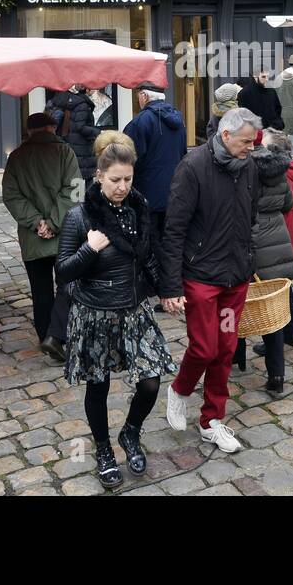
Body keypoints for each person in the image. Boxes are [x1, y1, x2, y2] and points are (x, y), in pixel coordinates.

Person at [55, 131, 176, 489]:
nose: (122, 187)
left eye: (128, 179)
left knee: (151, 382)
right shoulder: (79, 217)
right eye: (114, 180)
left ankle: (130, 433)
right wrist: (89, 250)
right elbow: (62, 272)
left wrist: (170, 291)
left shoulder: (138, 211)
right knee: (99, 386)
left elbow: (151, 256)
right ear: (98, 177)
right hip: (95, 314)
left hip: (135, 311)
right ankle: (104, 449)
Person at [160, 107, 262, 454]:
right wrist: (170, 286)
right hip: (201, 277)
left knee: (225, 348)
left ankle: (211, 420)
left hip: (234, 278)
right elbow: (173, 230)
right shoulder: (193, 168)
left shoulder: (248, 166)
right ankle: (179, 390)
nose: (252, 147)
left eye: (254, 141)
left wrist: (249, 258)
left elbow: (250, 215)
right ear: (226, 136)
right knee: (204, 346)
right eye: (247, 141)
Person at [3, 111, 81, 359]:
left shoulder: (16, 157)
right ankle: (58, 336)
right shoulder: (65, 152)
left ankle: (45, 336)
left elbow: (11, 196)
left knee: (40, 290)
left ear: (29, 132)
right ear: (53, 128)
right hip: (65, 236)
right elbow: (76, 192)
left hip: (32, 239)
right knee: (67, 287)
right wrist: (54, 223)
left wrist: (37, 223)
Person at [236, 129, 293, 396]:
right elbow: (289, 202)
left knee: (239, 302)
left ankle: (235, 355)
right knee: (271, 307)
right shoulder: (278, 170)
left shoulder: (245, 171)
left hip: (252, 241)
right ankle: (276, 375)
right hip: (277, 238)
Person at [122, 83, 187, 243]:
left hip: (145, 196)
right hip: (174, 193)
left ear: (144, 96)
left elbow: (127, 160)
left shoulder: (139, 123)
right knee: (169, 243)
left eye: (139, 95)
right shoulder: (179, 121)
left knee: (148, 245)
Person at [50, 84, 102, 181]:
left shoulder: (58, 101)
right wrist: (99, 133)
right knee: (84, 185)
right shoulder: (81, 104)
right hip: (83, 151)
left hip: (67, 148)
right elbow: (80, 127)